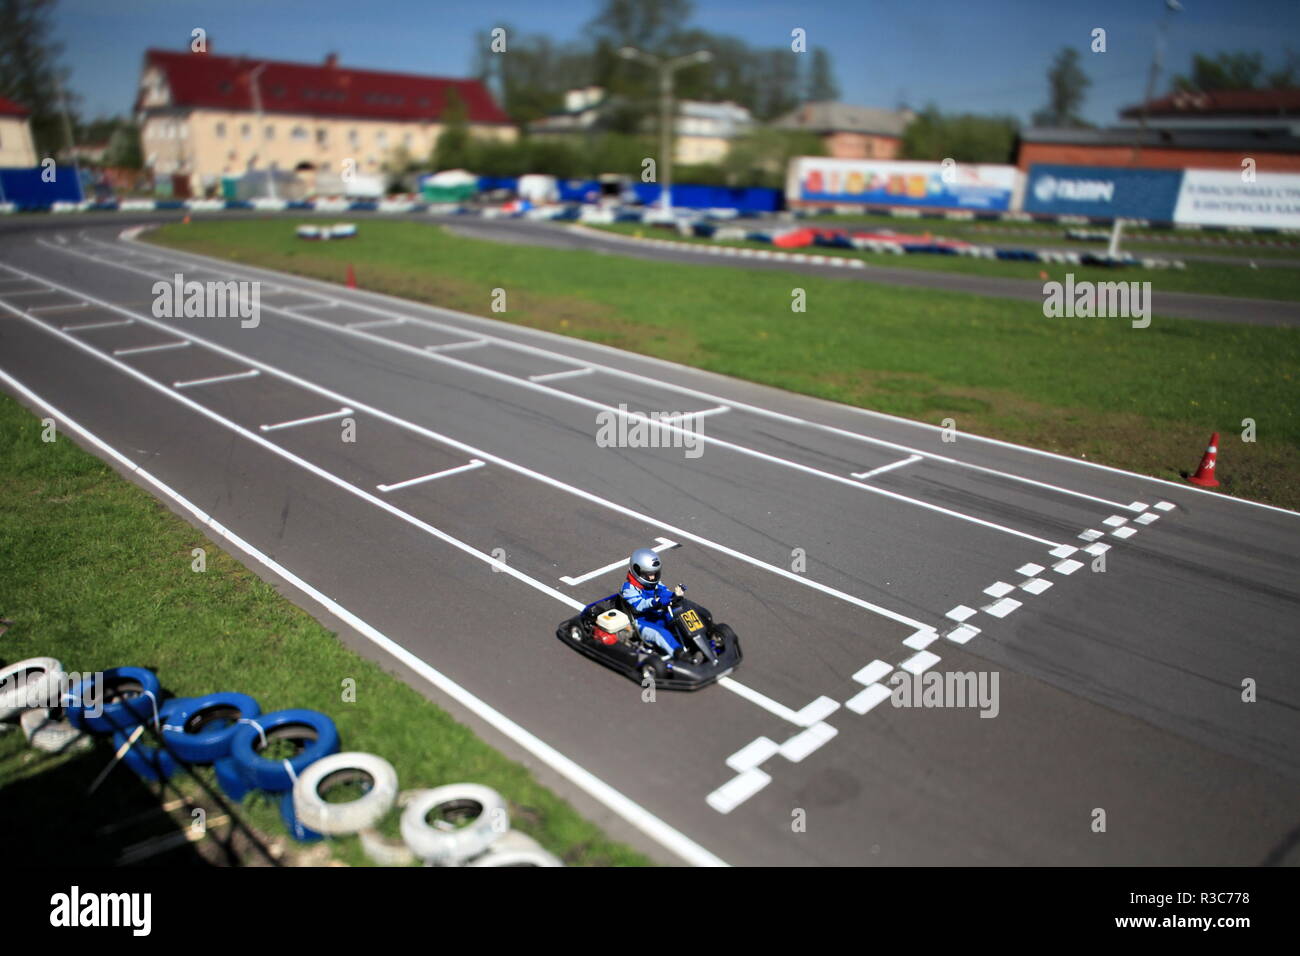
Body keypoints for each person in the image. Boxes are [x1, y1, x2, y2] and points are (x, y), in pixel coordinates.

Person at [620, 548, 684, 660]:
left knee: (678, 616)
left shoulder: (654, 583)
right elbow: (639, 605)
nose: (652, 577)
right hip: (639, 622)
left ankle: (695, 638)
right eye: (649, 574)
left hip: (655, 614)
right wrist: (656, 602)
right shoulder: (628, 588)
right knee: (661, 633)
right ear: (637, 571)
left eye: (655, 573)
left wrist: (674, 595)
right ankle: (680, 655)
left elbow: (663, 592)